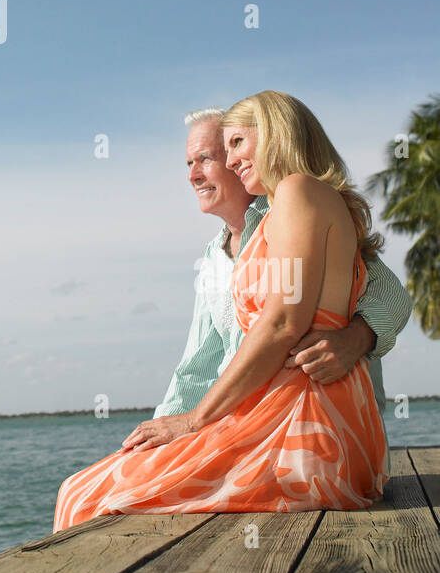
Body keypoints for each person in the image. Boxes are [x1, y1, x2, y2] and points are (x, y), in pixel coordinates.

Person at [53, 91, 402, 527]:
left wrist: (357, 337)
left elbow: (283, 322)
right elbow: (197, 368)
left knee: (82, 496)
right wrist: (170, 431)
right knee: (92, 488)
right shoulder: (225, 253)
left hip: (303, 427)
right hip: (288, 422)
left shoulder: (295, 194)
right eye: (190, 163)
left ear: (274, 134)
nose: (201, 171)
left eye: (231, 146)